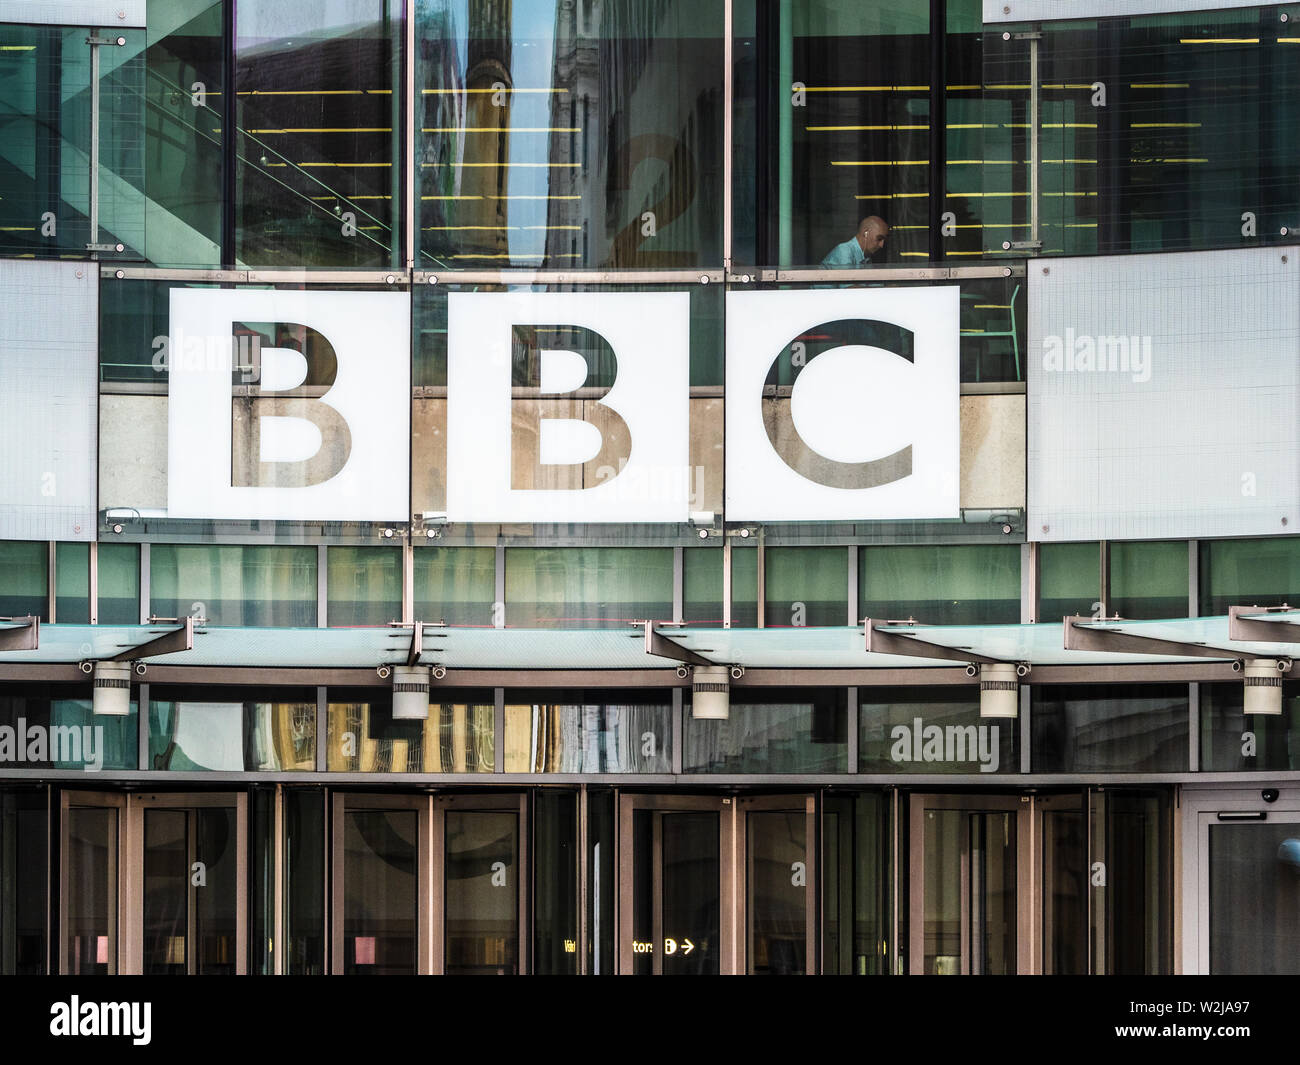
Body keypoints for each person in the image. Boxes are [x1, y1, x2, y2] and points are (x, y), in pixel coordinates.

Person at [820, 216, 889, 267]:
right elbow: (849, 285)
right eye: (879, 239)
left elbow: (871, 285)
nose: (881, 245)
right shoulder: (844, 250)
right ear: (866, 233)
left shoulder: (866, 258)